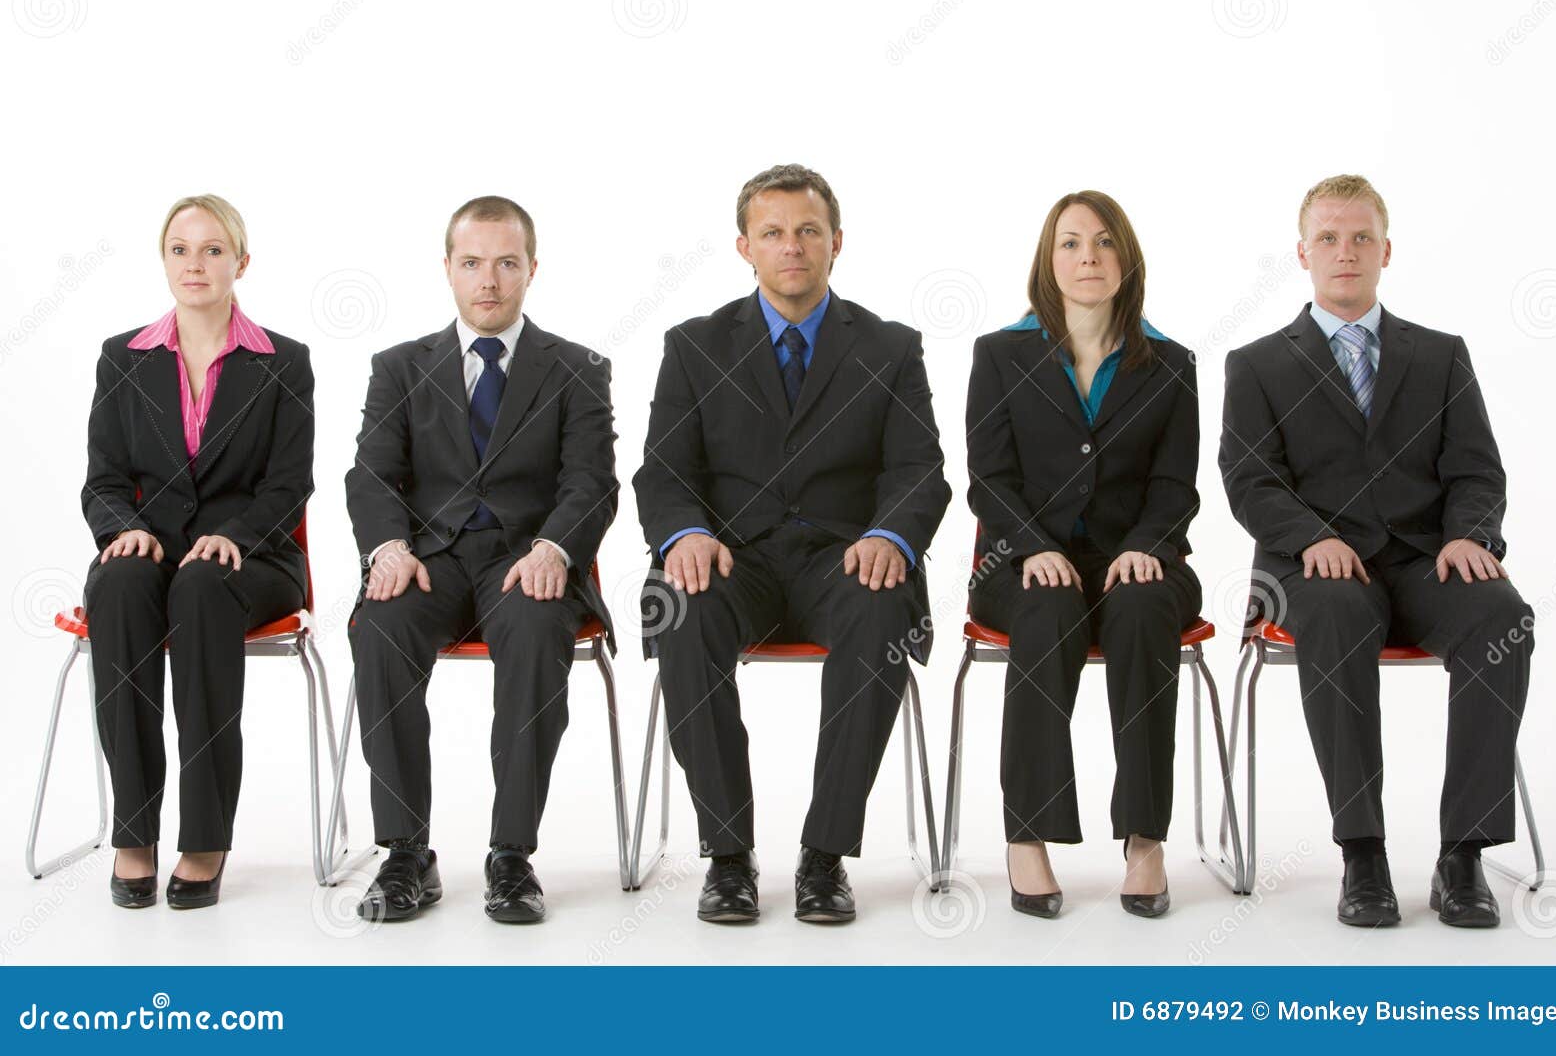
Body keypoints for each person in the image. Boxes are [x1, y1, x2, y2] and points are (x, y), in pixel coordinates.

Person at [634, 163, 951, 924]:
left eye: (808, 231)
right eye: (773, 232)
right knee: (678, 608)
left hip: (842, 561)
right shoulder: (695, 345)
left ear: (836, 242)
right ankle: (729, 855)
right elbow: (663, 470)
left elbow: (921, 469)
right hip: (731, 558)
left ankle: (825, 856)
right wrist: (685, 535)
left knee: (881, 615)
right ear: (745, 246)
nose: (792, 247)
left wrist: (888, 535)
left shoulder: (889, 346)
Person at [1219, 174, 1531, 928]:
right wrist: (1312, 538)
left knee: (1501, 615)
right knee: (1333, 612)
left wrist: (1469, 535)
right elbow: (1250, 478)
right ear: (1302, 252)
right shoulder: (1258, 364)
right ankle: (1363, 851)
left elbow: (1478, 470)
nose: (1345, 251)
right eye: (1328, 237)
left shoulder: (1441, 355)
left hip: (1427, 560)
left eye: (1361, 237)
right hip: (1317, 565)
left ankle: (1463, 853)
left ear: (1386, 250)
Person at [345, 195, 618, 924]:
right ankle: (405, 853)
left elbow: (591, 481)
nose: (488, 280)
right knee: (380, 627)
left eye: (505, 263)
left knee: (534, 630)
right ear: (447, 269)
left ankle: (511, 856)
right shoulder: (400, 367)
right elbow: (371, 475)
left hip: (527, 561)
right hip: (427, 560)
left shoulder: (578, 368)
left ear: (532, 268)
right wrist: (388, 548)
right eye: (472, 263)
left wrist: (555, 547)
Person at [966, 190, 1202, 919]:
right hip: (1022, 565)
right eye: (1070, 243)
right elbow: (988, 479)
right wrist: (1032, 546)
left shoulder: (1170, 362)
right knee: (1049, 604)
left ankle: (1144, 836)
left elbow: (1175, 484)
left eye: (1103, 242)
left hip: (1141, 561)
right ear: (1049, 258)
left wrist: (1145, 546)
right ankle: (1027, 831)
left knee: (1138, 606)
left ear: (1126, 258)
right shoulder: (1001, 354)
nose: (1088, 256)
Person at [83, 194, 314, 910]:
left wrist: (234, 535)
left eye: (213, 249)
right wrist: (125, 525)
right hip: (150, 553)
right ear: (164, 260)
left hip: (251, 561)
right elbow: (102, 479)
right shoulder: (123, 358)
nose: (195, 263)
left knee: (202, 587)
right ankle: (133, 832)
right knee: (119, 582)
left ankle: (205, 834)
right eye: (180, 248)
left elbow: (288, 484)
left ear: (240, 262)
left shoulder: (284, 362)